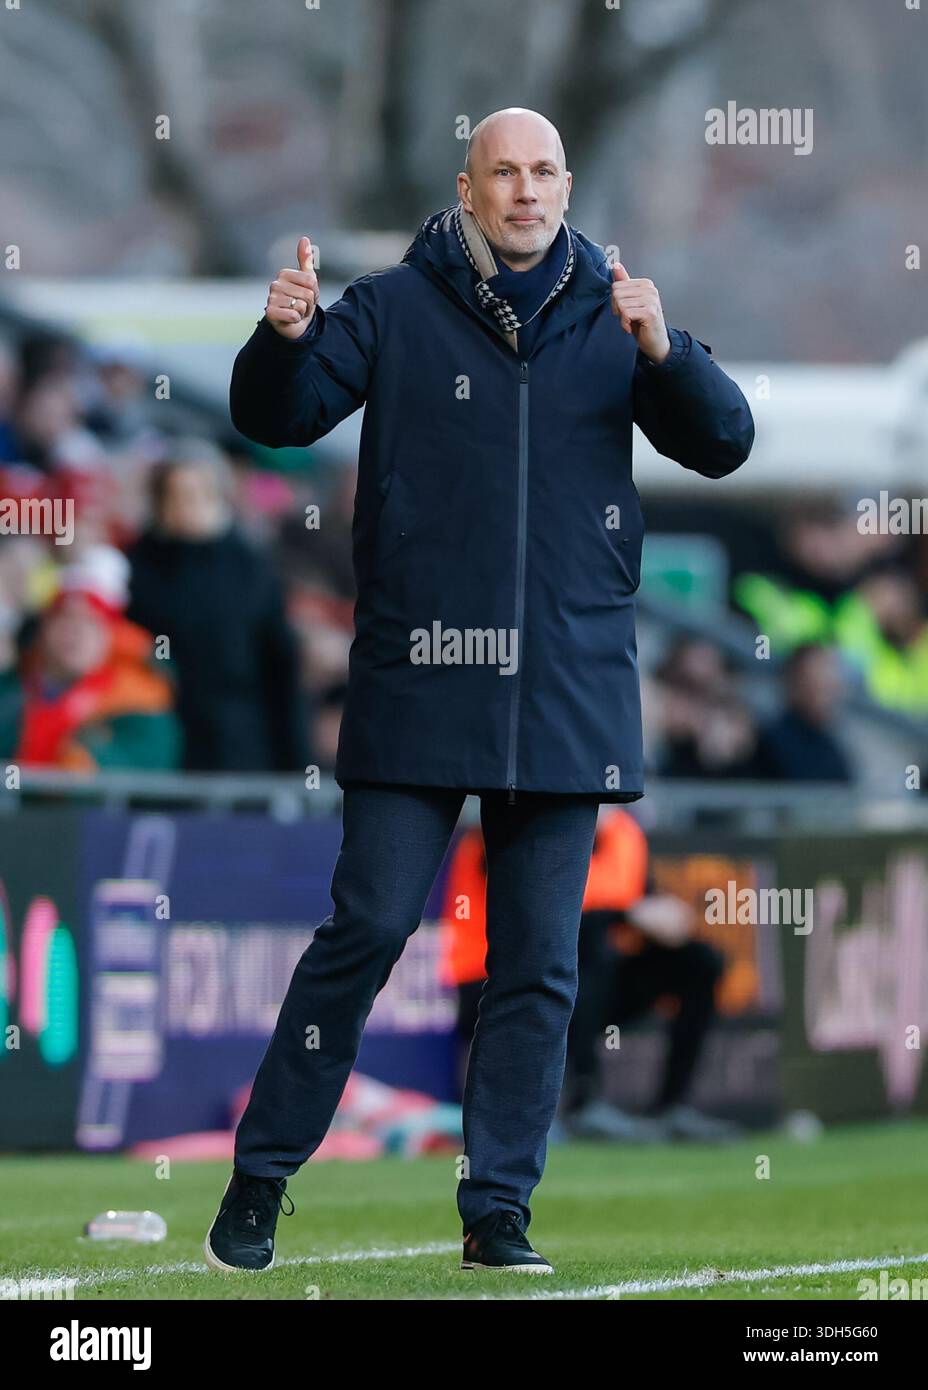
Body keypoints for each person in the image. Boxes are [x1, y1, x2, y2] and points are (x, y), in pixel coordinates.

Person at [205, 107, 753, 1276]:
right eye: (503, 172)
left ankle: (496, 1208)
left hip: (564, 693)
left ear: (564, 183)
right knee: (365, 932)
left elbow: (724, 445)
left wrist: (669, 352)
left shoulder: (617, 311)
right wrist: (279, 340)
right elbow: (275, 416)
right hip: (420, 682)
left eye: (543, 170)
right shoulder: (392, 307)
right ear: (469, 184)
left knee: (540, 966)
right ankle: (261, 1179)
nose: (525, 190)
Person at [126, 440, 310, 772]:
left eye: (198, 494)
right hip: (160, 734)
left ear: (220, 496)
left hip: (238, 741)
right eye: (175, 495)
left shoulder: (251, 566)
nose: (186, 507)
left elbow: (280, 665)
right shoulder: (139, 565)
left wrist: (296, 762)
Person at [0, 545, 180, 771]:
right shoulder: (10, 688)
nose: (75, 633)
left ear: (111, 635)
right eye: (65, 619)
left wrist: (88, 759)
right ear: (45, 628)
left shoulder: (140, 701)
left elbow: (145, 771)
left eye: (90, 624)